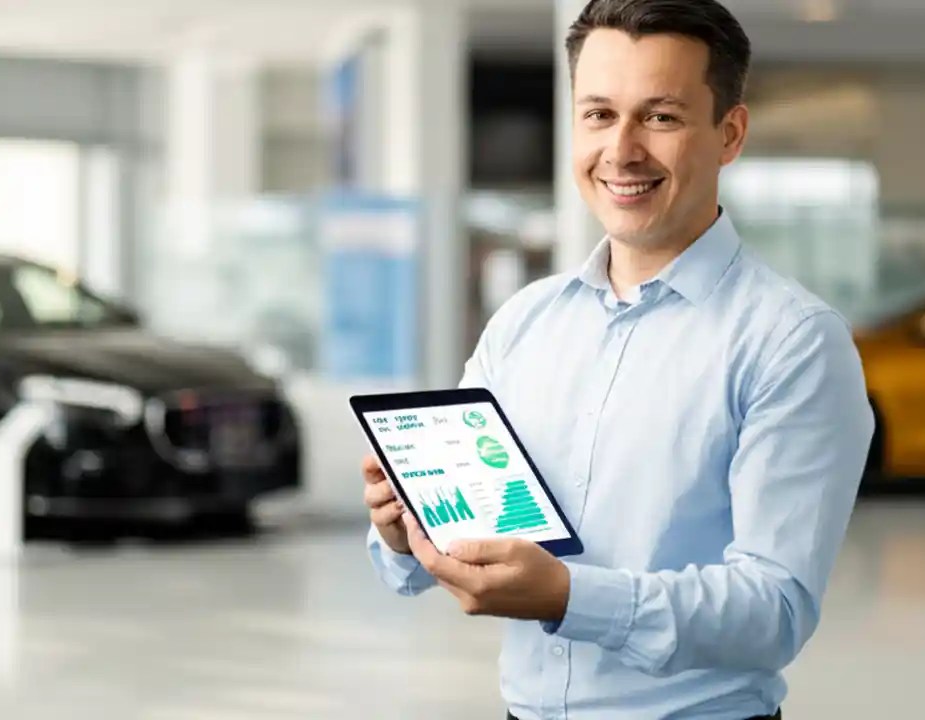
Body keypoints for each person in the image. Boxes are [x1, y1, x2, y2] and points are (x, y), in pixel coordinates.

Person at [363, 0, 874, 717]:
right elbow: (458, 534)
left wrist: (571, 598)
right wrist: (405, 532)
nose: (622, 150)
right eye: (599, 114)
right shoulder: (523, 324)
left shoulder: (791, 340)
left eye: (660, 116)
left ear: (729, 134)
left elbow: (775, 608)